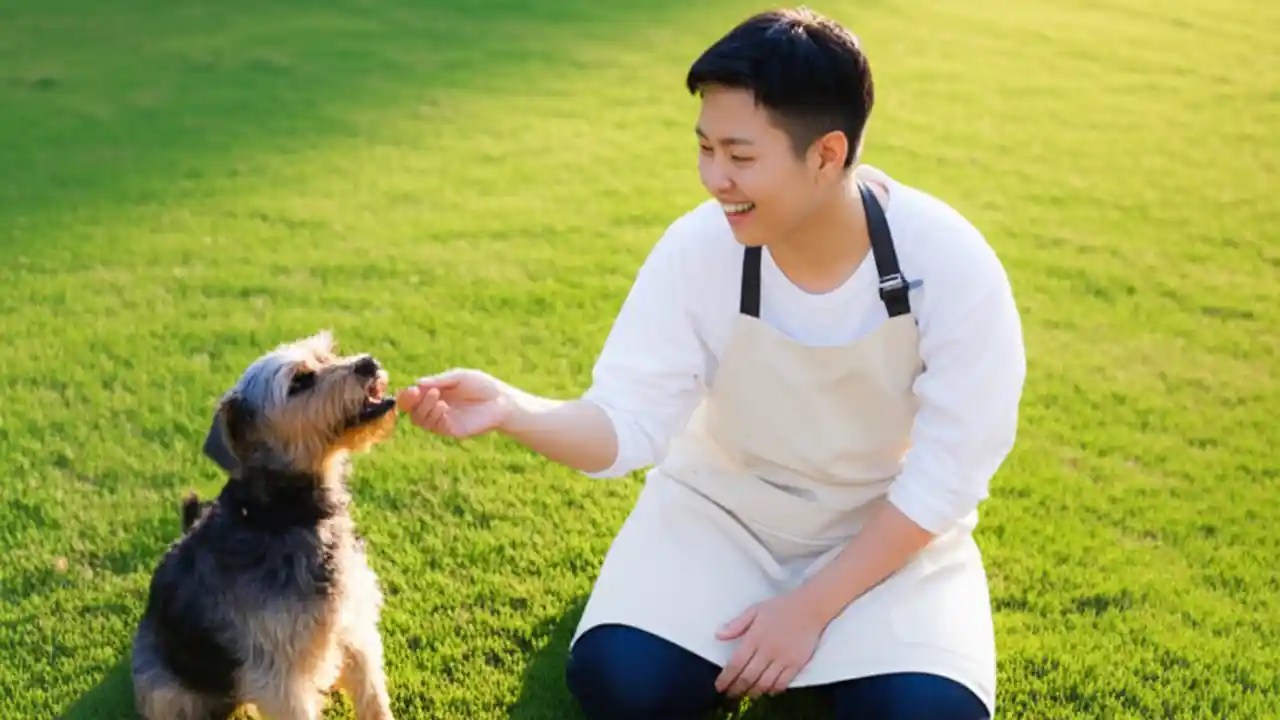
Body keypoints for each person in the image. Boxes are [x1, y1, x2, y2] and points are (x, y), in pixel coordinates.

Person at [396, 7, 1025, 719]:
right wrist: (513, 410)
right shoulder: (699, 248)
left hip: (885, 539)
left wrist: (808, 609)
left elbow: (949, 474)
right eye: (704, 148)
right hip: (722, 519)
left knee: (931, 713)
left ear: (826, 155)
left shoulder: (950, 262)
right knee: (621, 680)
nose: (713, 178)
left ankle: (836, 649)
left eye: (739, 157)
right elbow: (627, 424)